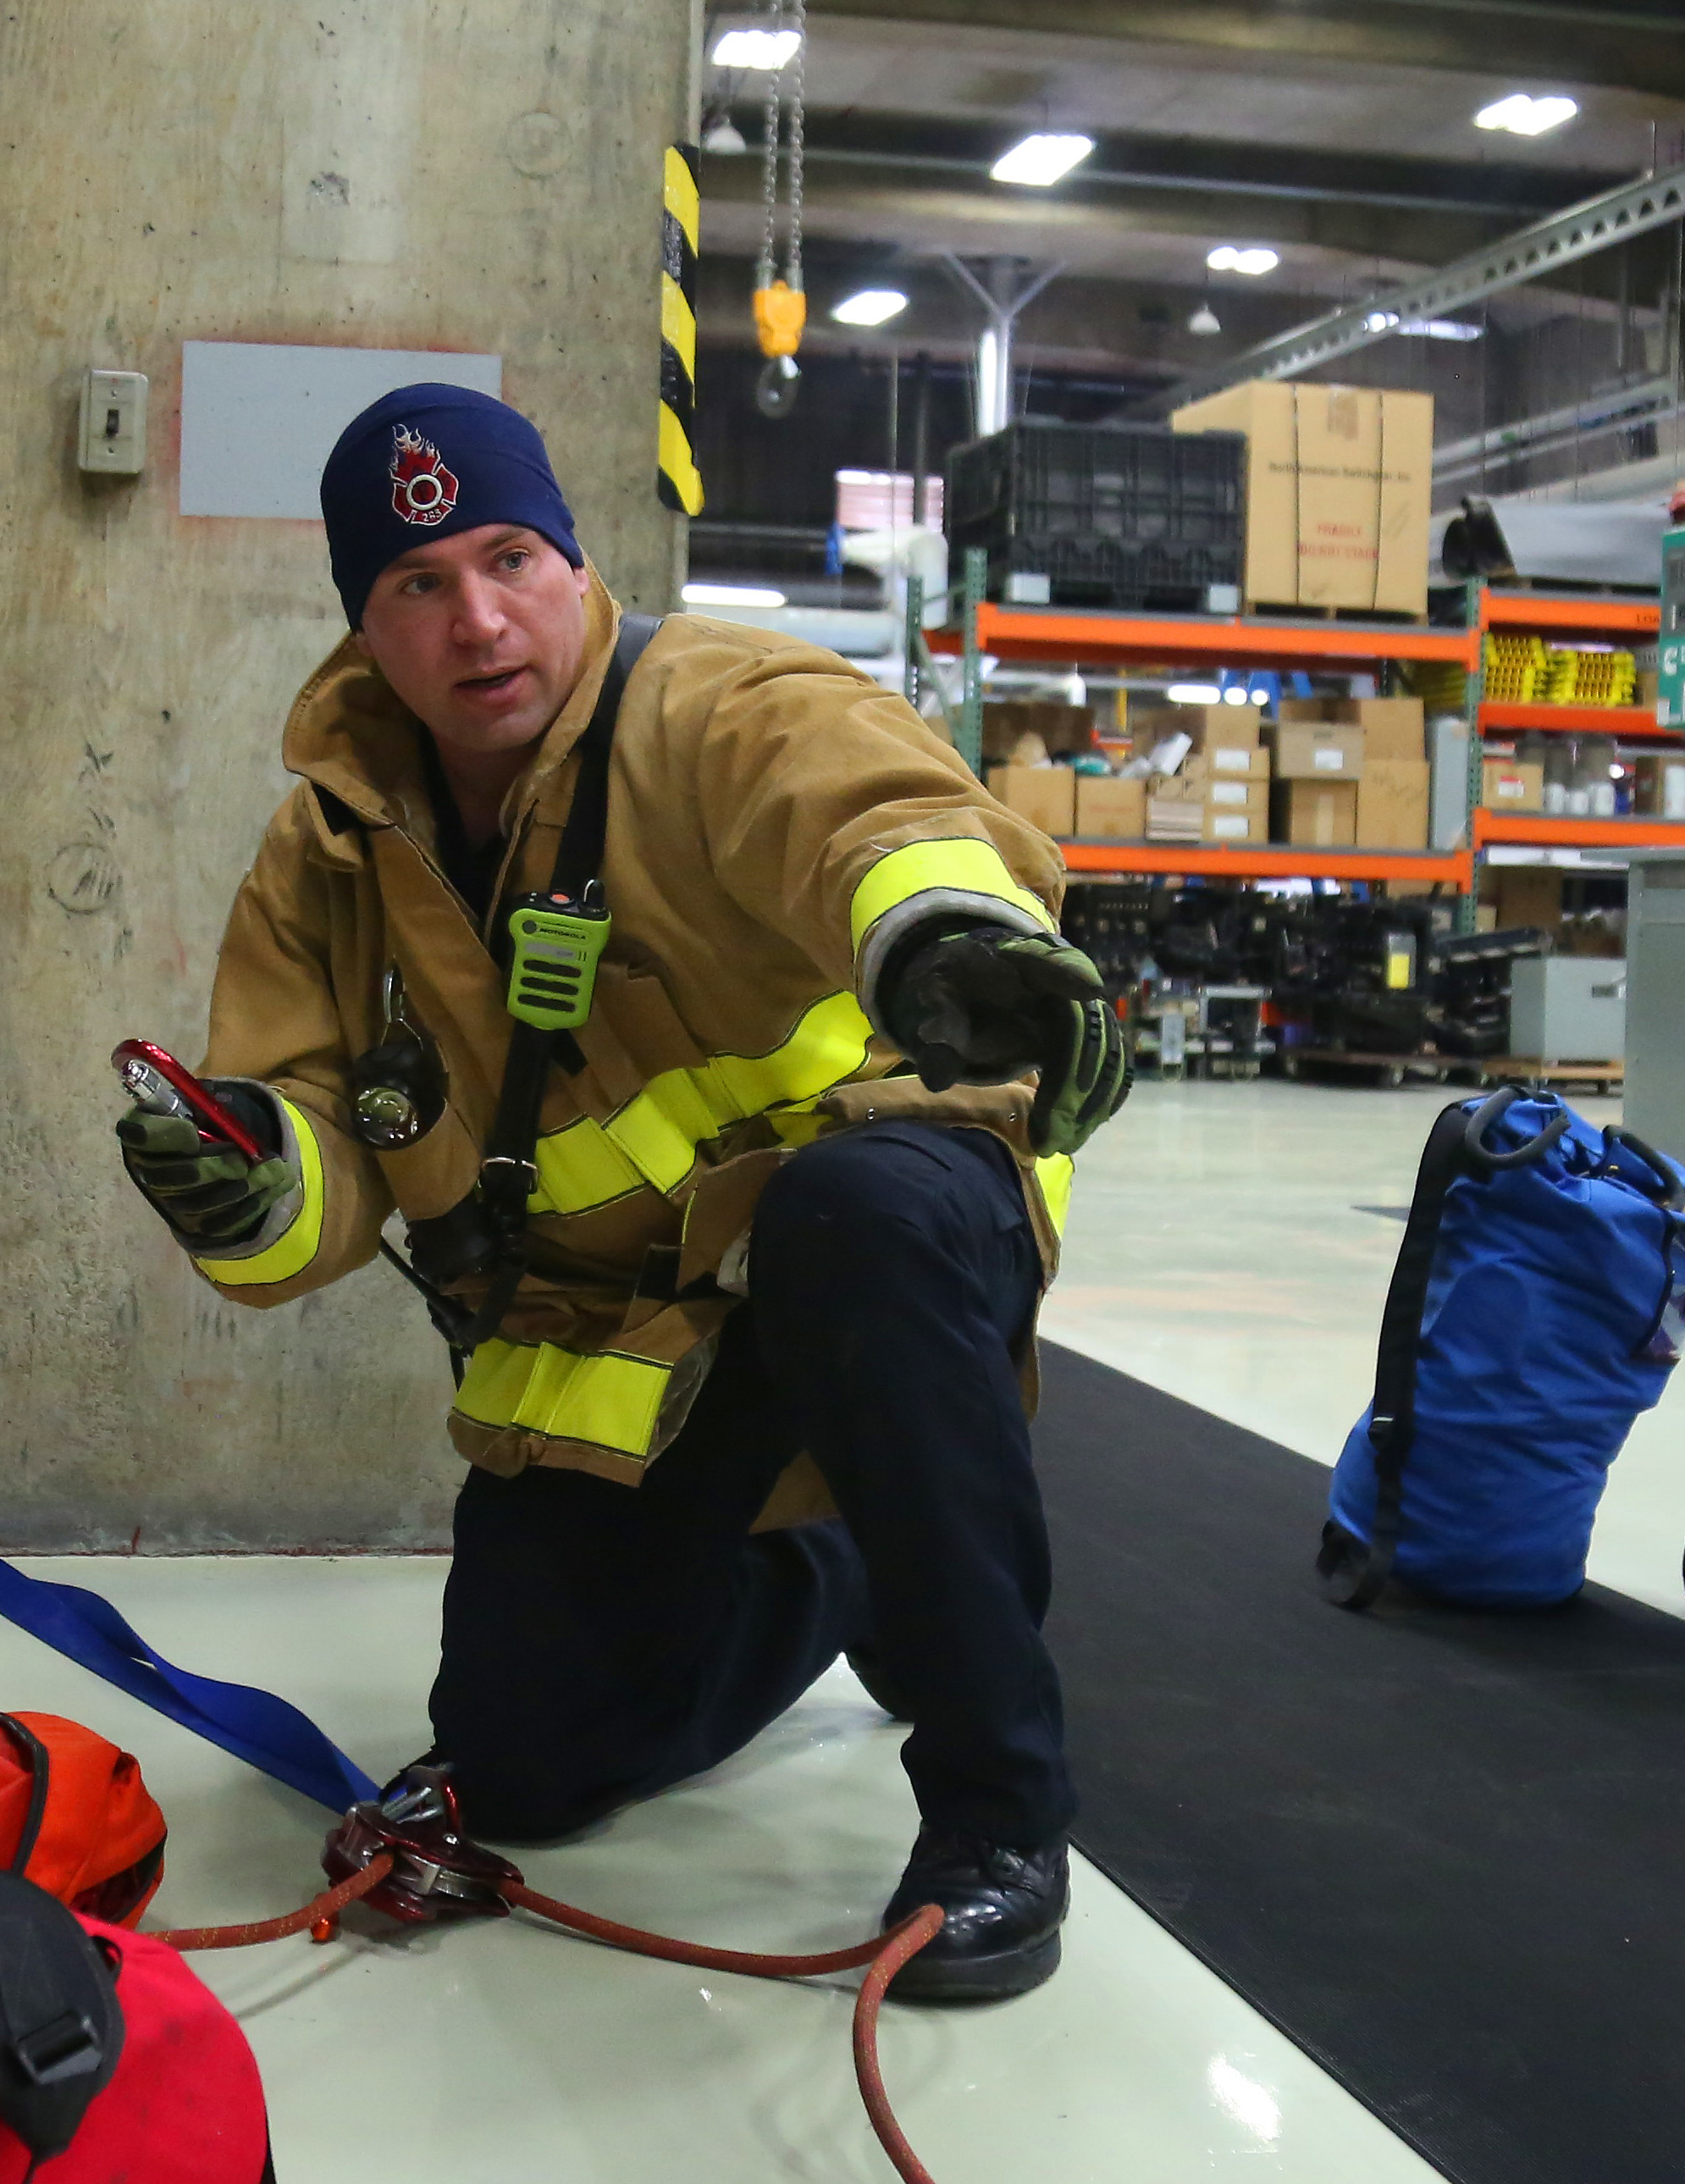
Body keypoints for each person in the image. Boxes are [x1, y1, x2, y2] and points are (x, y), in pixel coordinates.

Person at [113, 384, 1127, 2000]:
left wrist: (937, 932)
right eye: (418, 586)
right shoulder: (329, 856)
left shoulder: (713, 701)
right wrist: (244, 1183)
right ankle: (828, 1561)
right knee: (524, 1766)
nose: (480, 618)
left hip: (875, 1210)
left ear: (576, 565)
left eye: (511, 557)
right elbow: (318, 1146)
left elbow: (875, 813)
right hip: (625, 1324)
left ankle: (999, 1816)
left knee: (845, 1225)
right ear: (361, 628)